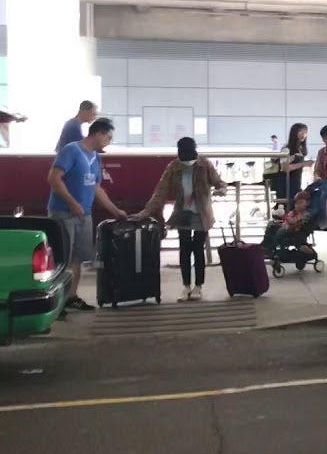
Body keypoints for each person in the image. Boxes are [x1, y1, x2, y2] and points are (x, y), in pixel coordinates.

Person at [47, 118, 127, 312]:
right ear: (98, 134)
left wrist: (115, 211)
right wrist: (72, 203)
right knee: (62, 258)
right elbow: (53, 178)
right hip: (64, 212)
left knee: (77, 258)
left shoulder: (95, 157)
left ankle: (71, 297)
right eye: (108, 137)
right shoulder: (71, 150)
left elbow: (97, 188)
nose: (109, 141)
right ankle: (55, 301)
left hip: (85, 214)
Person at [138, 137, 227, 301]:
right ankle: (186, 286)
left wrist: (221, 190)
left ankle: (198, 286)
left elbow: (219, 182)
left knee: (198, 249)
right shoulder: (173, 167)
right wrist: (146, 212)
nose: (188, 161)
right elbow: (160, 192)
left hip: (202, 213)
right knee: (184, 249)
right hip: (183, 213)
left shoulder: (204, 164)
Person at [273, 123, 310, 207]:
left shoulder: (301, 150)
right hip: (286, 185)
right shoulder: (286, 149)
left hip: (296, 184)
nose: (303, 134)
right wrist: (303, 164)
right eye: (300, 131)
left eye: (305, 132)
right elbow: (284, 168)